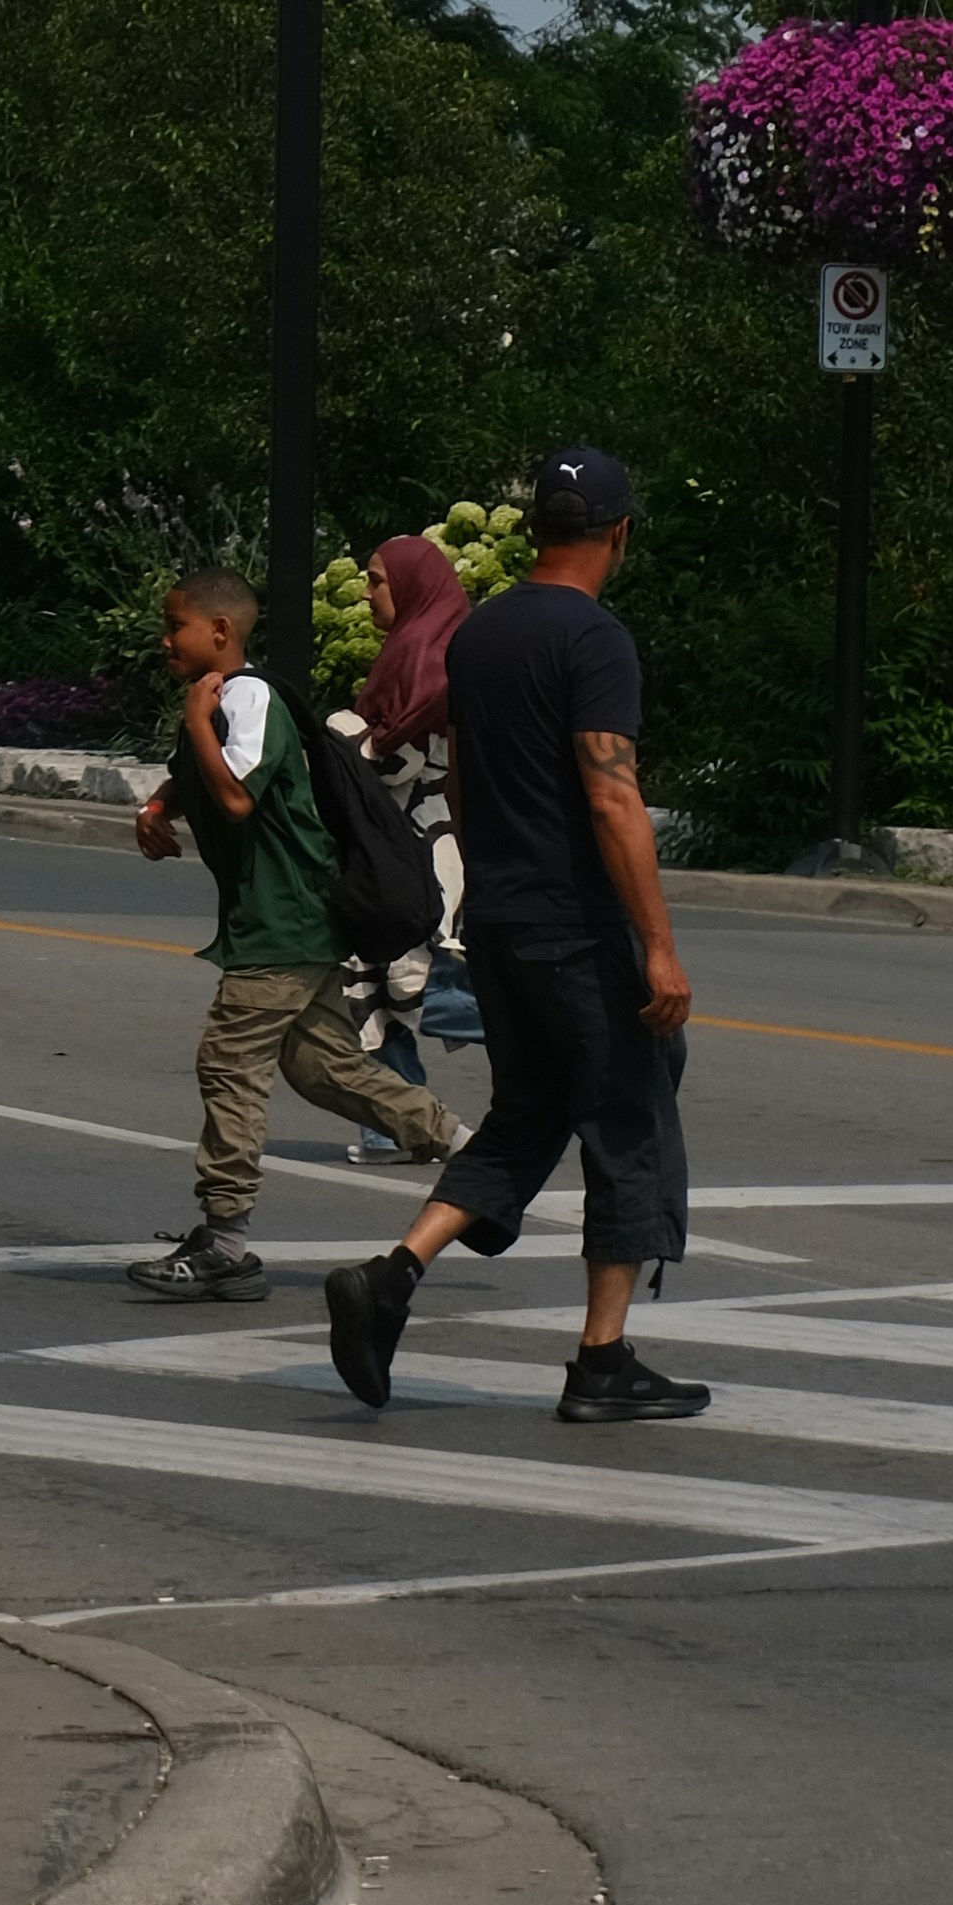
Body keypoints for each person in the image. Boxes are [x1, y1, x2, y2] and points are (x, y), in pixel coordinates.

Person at [327, 450, 704, 1432]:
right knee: (626, 1120)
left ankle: (391, 1276)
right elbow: (610, 792)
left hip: (497, 919)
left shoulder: (478, 633)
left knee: (528, 1114)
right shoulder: (594, 639)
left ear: (536, 526)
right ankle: (599, 1361)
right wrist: (655, 947)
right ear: (617, 533)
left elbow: (457, 782)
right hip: (575, 927)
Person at [126, 564, 459, 1305]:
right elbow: (208, 778)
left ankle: (224, 1242)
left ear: (221, 631)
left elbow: (239, 795)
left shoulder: (246, 698)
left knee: (229, 1062)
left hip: (284, 920)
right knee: (324, 1069)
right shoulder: (229, 701)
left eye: (175, 625)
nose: (165, 639)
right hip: (283, 919)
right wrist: (160, 804)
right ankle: (470, 1151)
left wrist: (191, 723)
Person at [338, 527, 477, 1080]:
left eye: (376, 581)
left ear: (410, 586)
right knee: (369, 974)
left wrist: (342, 738)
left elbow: (396, 759)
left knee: (403, 980)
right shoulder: (415, 650)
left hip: (421, 844)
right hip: (404, 842)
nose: (367, 594)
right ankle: (394, 1121)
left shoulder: (427, 660)